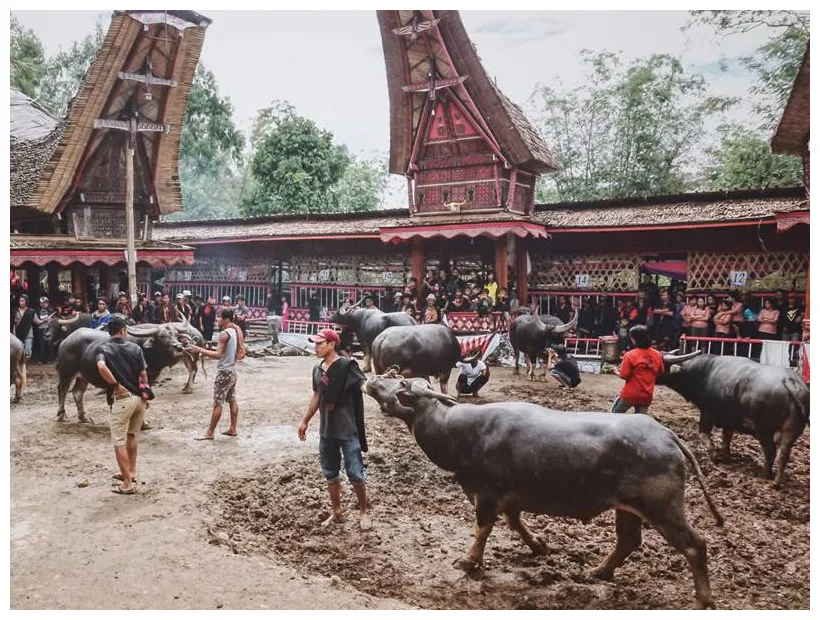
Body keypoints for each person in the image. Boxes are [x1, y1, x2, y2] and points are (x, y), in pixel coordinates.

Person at [299, 328, 371, 530]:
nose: (315, 348)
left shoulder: (348, 366)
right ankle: (336, 511)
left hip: (347, 429)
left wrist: (376, 388)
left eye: (319, 344)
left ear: (331, 345)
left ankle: (364, 511)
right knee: (330, 473)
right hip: (327, 430)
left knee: (355, 473)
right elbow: (316, 396)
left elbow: (362, 385)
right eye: (315, 344)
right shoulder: (317, 369)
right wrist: (305, 420)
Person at [95, 315, 153, 495]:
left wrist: (115, 385)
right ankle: (131, 472)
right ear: (123, 330)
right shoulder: (135, 348)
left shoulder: (103, 348)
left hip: (122, 400)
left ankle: (127, 483)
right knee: (132, 436)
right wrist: (145, 394)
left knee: (119, 441)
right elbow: (143, 375)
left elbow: (101, 366)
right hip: (138, 399)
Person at [189, 308, 246, 440]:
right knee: (232, 400)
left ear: (226, 319)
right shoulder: (235, 330)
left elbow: (218, 355)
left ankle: (210, 432)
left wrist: (199, 350)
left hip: (224, 372)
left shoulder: (224, 334)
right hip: (232, 370)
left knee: (217, 403)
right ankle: (233, 428)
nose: (217, 320)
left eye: (219, 317)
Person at [611, 325, 664, 414]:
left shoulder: (630, 355)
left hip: (630, 394)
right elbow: (660, 371)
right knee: (641, 419)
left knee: (615, 413)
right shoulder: (658, 355)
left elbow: (624, 375)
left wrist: (615, 371)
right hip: (646, 395)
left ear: (634, 339)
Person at [13, 294, 36, 361]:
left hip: (29, 334)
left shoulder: (31, 311)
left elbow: (36, 321)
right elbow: (14, 324)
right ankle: (19, 367)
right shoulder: (15, 311)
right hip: (18, 334)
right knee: (18, 352)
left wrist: (44, 320)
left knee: (28, 352)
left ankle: (25, 367)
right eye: (20, 301)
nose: (20, 302)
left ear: (26, 302)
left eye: (22, 301)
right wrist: (14, 334)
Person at [33, 296, 55, 363]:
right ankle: (42, 360)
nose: (46, 304)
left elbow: (54, 320)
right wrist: (45, 320)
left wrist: (51, 319)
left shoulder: (50, 311)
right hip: (41, 329)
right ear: (41, 304)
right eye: (44, 303)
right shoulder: (37, 312)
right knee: (42, 345)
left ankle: (50, 359)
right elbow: (36, 322)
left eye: (46, 303)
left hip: (49, 329)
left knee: (49, 344)